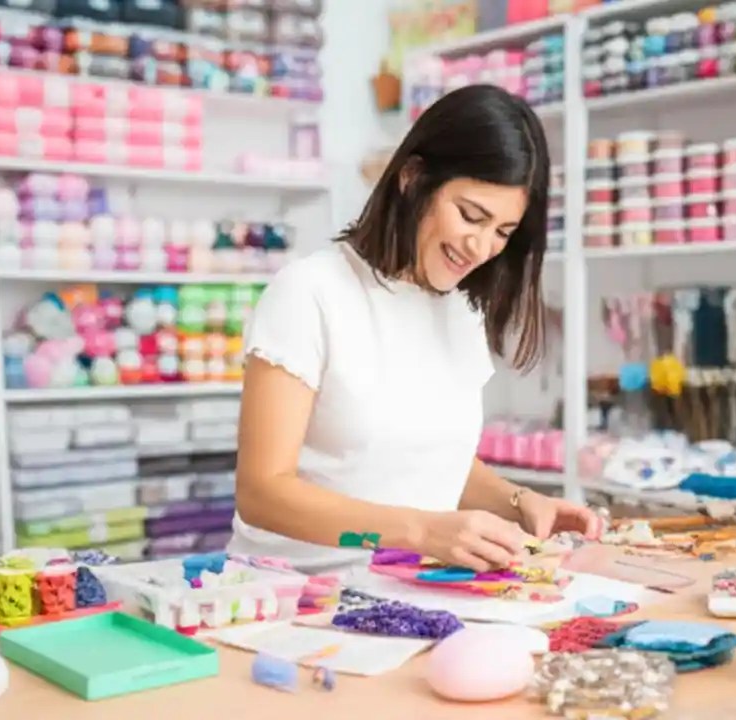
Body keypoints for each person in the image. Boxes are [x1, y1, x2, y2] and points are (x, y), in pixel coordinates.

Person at [228, 84, 599, 574]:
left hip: (409, 592)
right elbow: (262, 493)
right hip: (291, 598)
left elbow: (427, 459)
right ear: (413, 176)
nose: (482, 246)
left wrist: (518, 501)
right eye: (471, 215)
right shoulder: (310, 293)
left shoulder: (461, 308)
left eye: (503, 232)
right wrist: (423, 531)